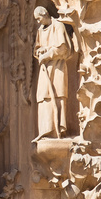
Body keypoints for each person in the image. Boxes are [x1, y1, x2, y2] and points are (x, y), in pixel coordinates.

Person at [34, 7, 75, 139]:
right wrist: (40, 52)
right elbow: (37, 48)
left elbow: (63, 49)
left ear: (45, 14)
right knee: (43, 96)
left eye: (39, 18)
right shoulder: (40, 30)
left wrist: (47, 54)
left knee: (57, 95)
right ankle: (45, 130)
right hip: (45, 68)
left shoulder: (58, 26)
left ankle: (57, 130)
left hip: (57, 67)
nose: (38, 22)